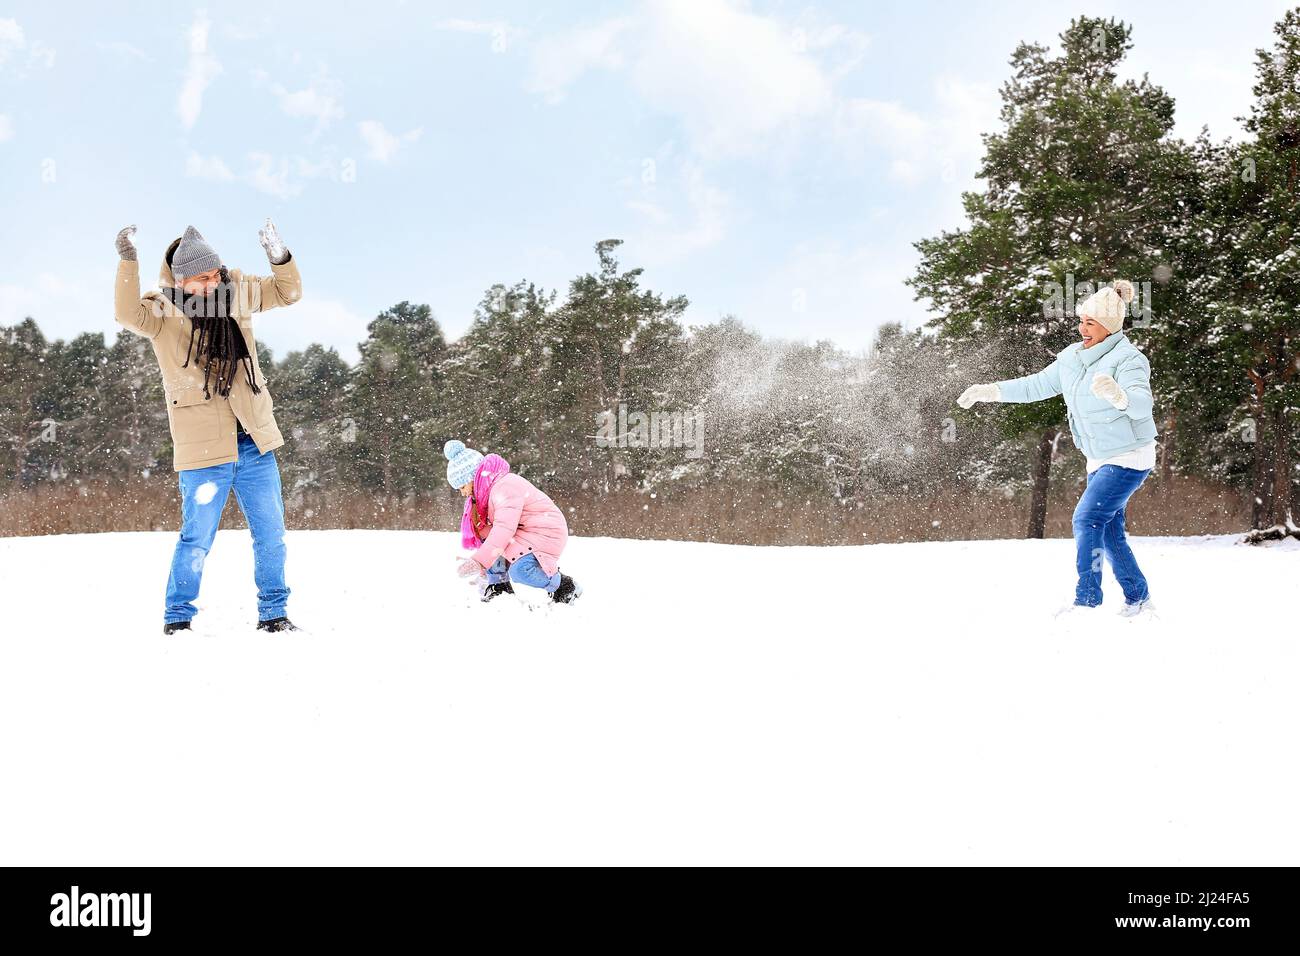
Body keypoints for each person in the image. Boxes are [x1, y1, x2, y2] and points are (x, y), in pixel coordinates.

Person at [113, 220, 303, 634]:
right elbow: (126, 314)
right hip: (204, 451)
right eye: (201, 279)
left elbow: (287, 292)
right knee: (196, 539)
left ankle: (275, 614)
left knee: (271, 537)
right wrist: (129, 261)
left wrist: (279, 258)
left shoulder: (235, 291)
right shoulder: (161, 310)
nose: (212, 284)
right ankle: (178, 618)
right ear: (181, 279)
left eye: (214, 275)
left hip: (254, 442)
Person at [958, 280, 1158, 615]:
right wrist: (991, 391)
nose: (1082, 328)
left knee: (1088, 518)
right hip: (1098, 459)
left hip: (1129, 455)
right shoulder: (1072, 359)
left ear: (1109, 327)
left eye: (1090, 323)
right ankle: (1138, 599)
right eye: (1081, 321)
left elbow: (1141, 403)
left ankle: (1087, 601)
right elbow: (1036, 384)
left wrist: (1120, 396)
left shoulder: (1128, 359)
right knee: (1108, 530)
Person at [444, 440, 582, 604]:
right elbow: (489, 534)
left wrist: (480, 562)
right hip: (524, 532)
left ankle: (564, 586)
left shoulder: (505, 487)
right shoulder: (485, 496)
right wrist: (488, 570)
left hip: (545, 531)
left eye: (462, 487)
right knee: (489, 538)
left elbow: (503, 530)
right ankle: (499, 587)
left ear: (472, 477)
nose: (462, 493)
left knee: (521, 571)